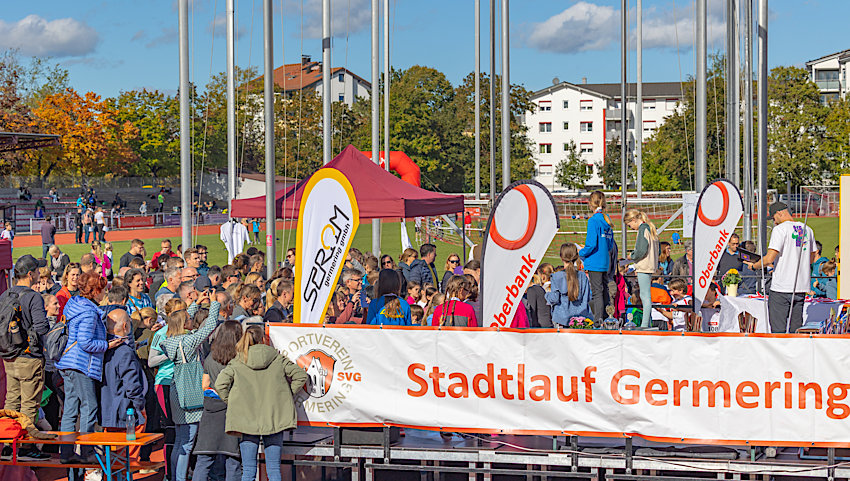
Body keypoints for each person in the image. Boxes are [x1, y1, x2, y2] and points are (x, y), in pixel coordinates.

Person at [216, 325, 308, 481]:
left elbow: (220, 385)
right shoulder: (277, 358)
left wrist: (232, 401)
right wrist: (286, 395)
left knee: (248, 471)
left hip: (246, 418)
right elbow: (301, 376)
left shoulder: (238, 361)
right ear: (264, 339)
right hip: (274, 417)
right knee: (274, 470)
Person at [56, 271, 124, 463]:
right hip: (80, 364)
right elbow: (85, 342)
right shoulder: (89, 313)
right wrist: (107, 345)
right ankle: (86, 451)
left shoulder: (75, 303)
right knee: (89, 405)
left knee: (71, 408)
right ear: (95, 291)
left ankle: (66, 452)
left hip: (69, 362)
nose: (105, 293)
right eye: (102, 290)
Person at [159, 294, 220, 481]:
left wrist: (196, 303)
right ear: (184, 324)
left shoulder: (172, 340)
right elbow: (210, 326)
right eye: (189, 319)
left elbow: (181, 318)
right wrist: (214, 303)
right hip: (191, 393)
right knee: (187, 442)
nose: (191, 320)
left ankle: (174, 476)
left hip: (178, 390)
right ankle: (180, 478)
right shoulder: (188, 341)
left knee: (180, 440)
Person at [0, 255, 51, 461]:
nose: (39, 274)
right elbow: (42, 327)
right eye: (37, 271)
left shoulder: (5, 294)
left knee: (11, 401)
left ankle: (7, 445)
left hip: (9, 356)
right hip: (29, 357)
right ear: (30, 274)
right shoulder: (33, 297)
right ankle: (25, 446)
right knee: (30, 404)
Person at [744, 202, 816, 333]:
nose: (774, 222)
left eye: (774, 218)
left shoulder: (780, 230)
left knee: (778, 332)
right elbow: (811, 258)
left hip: (781, 288)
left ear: (779, 213)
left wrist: (754, 266)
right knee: (796, 331)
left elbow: (769, 259)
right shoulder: (808, 229)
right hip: (800, 287)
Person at [193, 321, 244, 481]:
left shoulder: (210, 358)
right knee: (233, 461)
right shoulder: (241, 360)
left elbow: (205, 386)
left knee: (204, 461)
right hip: (234, 413)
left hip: (211, 412)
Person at [100, 309, 148, 460]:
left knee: (112, 458)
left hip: (107, 410)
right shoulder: (124, 351)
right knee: (126, 459)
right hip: (125, 412)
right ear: (126, 326)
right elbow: (131, 384)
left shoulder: (103, 349)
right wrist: (140, 405)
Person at [579, 191, 615, 322]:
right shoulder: (607, 220)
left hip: (595, 262)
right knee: (604, 290)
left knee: (597, 292)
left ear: (591, 203)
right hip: (605, 261)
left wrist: (581, 252)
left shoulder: (593, 221)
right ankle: (606, 317)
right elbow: (610, 244)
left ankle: (598, 320)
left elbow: (591, 244)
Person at [624, 209, 659, 328]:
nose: (631, 228)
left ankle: (645, 324)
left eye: (629, 225)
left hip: (644, 266)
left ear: (634, 220)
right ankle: (647, 322)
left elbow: (641, 250)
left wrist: (632, 256)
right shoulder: (650, 228)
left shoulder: (643, 229)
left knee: (644, 296)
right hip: (650, 265)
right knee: (646, 295)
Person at [547, 243, 593, 326]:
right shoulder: (582, 276)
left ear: (561, 257)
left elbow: (554, 298)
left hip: (562, 319)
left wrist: (546, 295)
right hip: (581, 319)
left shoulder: (556, 276)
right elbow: (588, 297)